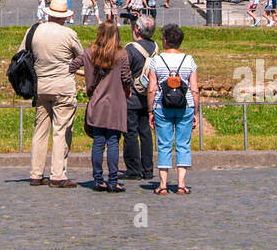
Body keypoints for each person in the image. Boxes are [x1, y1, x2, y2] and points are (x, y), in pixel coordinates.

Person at [20, 0, 85, 186]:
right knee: (61, 131)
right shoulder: (68, 34)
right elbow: (81, 57)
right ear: (64, 16)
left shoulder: (33, 31)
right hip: (63, 87)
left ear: (49, 14)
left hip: (40, 87)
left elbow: (21, 54)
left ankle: (36, 173)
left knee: (39, 131)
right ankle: (58, 175)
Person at [70, 20, 132, 192]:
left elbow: (71, 65)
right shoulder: (121, 55)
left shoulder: (89, 53)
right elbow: (126, 78)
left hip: (96, 102)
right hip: (115, 104)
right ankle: (113, 180)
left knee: (98, 142)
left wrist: (86, 73)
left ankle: (98, 179)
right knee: (113, 142)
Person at [148, 23, 199, 195]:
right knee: (184, 144)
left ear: (164, 41)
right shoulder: (189, 60)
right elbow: (195, 89)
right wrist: (196, 111)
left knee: (164, 144)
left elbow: (152, 88)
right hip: (186, 105)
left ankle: (163, 185)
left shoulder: (157, 60)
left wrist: (150, 110)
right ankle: (181, 184)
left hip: (162, 106)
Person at [123, 15, 158, 180]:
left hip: (131, 96)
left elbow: (124, 72)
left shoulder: (130, 48)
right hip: (148, 95)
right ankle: (148, 168)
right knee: (145, 133)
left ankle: (133, 169)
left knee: (130, 133)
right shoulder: (155, 46)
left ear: (137, 29)